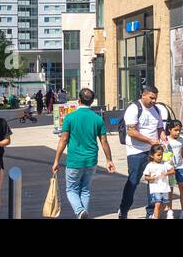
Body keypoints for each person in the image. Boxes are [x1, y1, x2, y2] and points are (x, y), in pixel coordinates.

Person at [50, 88, 115, 219]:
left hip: (75, 160)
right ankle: (82, 214)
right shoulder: (97, 119)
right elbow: (104, 141)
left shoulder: (69, 118)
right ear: (91, 102)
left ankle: (79, 211)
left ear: (78, 100)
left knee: (71, 189)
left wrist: (56, 160)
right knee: (85, 189)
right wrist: (109, 160)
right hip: (91, 160)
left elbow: (63, 140)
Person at [118, 85, 167, 219]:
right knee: (133, 181)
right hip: (136, 151)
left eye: (155, 99)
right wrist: (150, 141)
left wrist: (162, 136)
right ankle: (124, 209)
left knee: (154, 181)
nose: (153, 101)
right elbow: (131, 131)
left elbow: (160, 128)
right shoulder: (134, 108)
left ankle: (150, 212)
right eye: (151, 98)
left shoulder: (156, 109)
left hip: (152, 152)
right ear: (143, 95)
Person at [163, 120, 183, 218]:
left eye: (179, 130)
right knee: (170, 190)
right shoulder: (165, 140)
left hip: (179, 168)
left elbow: (182, 153)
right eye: (175, 130)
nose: (178, 132)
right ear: (170, 130)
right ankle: (169, 211)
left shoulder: (181, 140)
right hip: (170, 168)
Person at [142, 144, 173, 220]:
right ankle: (156, 217)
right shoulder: (150, 165)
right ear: (152, 156)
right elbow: (145, 177)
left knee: (165, 204)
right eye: (158, 155)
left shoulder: (165, 164)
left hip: (165, 188)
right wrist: (151, 178)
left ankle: (155, 216)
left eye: (161, 155)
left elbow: (172, 171)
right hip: (155, 188)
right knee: (158, 204)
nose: (160, 157)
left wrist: (166, 173)